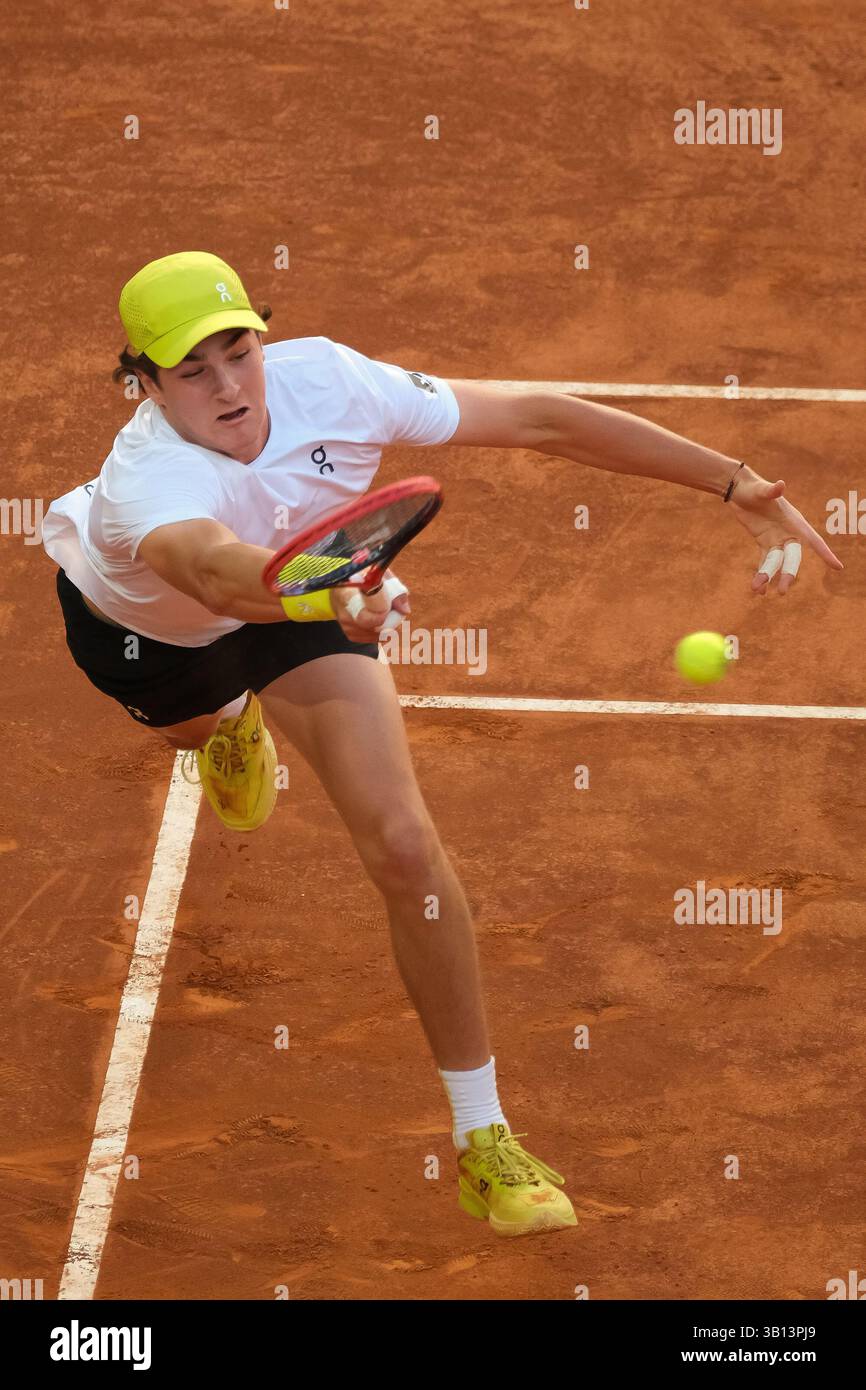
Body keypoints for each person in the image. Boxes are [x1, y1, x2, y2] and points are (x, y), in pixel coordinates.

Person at [42, 251, 842, 1239]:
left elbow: (538, 418)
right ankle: (229, 728)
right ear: (145, 384)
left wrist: (733, 481)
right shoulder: (144, 485)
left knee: (404, 846)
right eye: (189, 370)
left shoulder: (329, 380)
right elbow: (212, 575)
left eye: (236, 351)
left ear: (262, 337)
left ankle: (481, 1138)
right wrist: (331, 588)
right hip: (152, 635)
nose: (226, 386)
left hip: (306, 585)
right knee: (189, 729)